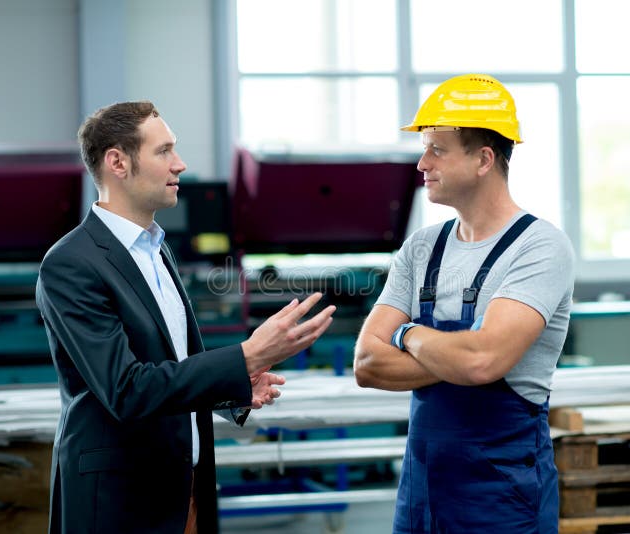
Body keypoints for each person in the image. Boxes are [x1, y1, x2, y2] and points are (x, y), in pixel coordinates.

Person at [35, 101, 336, 534]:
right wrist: (245, 356)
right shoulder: (71, 263)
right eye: (164, 151)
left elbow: (171, 371)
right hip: (122, 501)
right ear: (117, 162)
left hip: (185, 491)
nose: (180, 164)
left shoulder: (158, 251)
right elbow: (126, 390)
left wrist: (233, 388)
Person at [354, 74, 574, 533]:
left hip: (503, 502)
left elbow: (482, 362)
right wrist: (466, 354)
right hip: (421, 500)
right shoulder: (420, 248)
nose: (421, 163)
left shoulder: (539, 248)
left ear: (483, 159)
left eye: (437, 148)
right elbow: (368, 363)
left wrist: (405, 333)